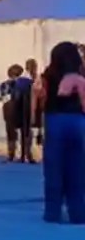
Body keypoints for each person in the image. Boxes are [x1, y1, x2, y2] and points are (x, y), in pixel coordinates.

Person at [36, 41, 85, 224]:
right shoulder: (81, 75)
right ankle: (78, 212)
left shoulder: (49, 75)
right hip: (78, 121)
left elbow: (41, 99)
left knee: (54, 168)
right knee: (78, 168)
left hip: (55, 120)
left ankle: (52, 211)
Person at [0, 63, 34, 163]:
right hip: (25, 110)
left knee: (11, 133)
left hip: (10, 110)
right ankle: (27, 154)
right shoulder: (28, 83)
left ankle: (11, 154)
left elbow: (4, 98)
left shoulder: (5, 84)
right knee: (26, 132)